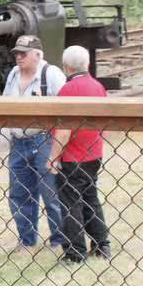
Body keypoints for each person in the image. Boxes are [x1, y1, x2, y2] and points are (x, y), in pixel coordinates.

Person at [47, 45, 113, 264]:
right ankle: (101, 245)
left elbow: (64, 130)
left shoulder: (68, 90)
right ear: (88, 64)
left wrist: (53, 157)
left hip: (72, 157)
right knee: (91, 199)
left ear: (66, 67)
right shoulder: (98, 86)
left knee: (70, 204)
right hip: (94, 153)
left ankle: (75, 253)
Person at [2, 34, 67, 252]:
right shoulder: (13, 74)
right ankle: (26, 239)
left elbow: (67, 111)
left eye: (23, 53)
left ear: (38, 55)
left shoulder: (53, 74)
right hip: (18, 141)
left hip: (44, 139)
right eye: (16, 53)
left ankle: (59, 239)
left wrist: (58, 148)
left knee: (51, 192)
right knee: (19, 192)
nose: (18, 57)